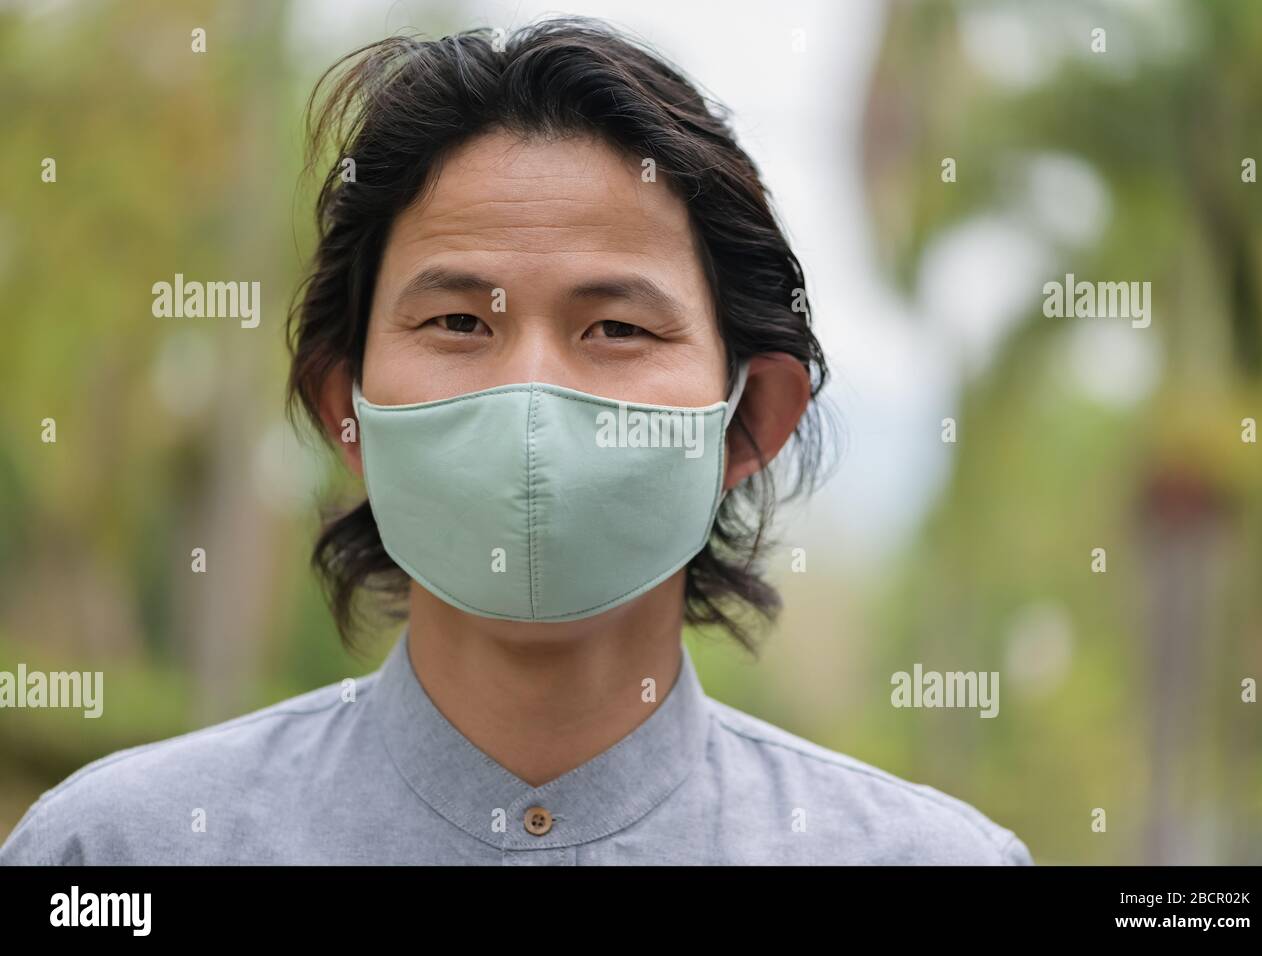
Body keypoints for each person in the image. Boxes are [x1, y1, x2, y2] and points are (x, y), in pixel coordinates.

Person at [0, 17, 1031, 866]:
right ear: (343, 410)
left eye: (616, 327)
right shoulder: (113, 855)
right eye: (459, 322)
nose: (529, 392)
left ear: (750, 417)